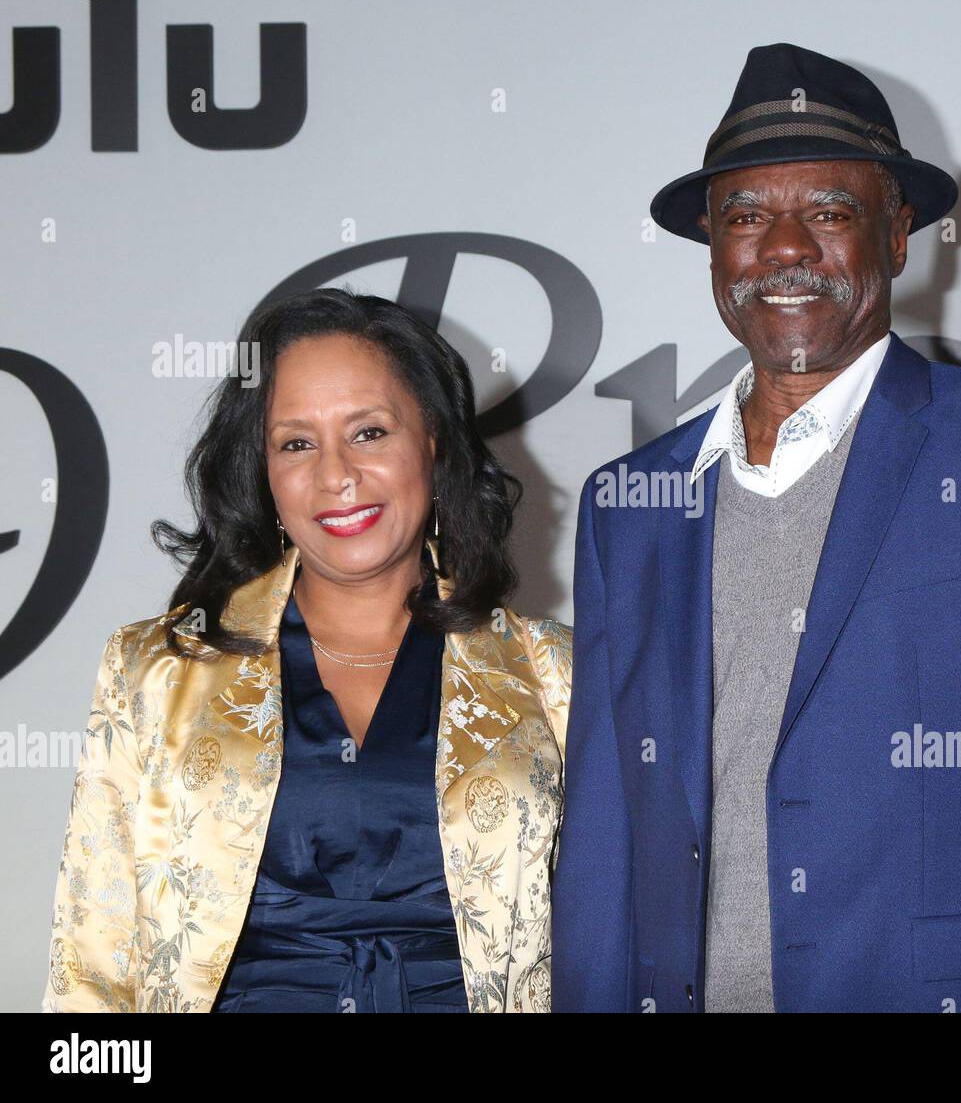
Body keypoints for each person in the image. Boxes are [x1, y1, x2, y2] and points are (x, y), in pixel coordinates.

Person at [553, 43, 961, 1012]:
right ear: (713, 243)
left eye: (827, 212)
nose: (784, 248)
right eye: (747, 216)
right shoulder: (629, 501)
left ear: (898, 233)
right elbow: (604, 843)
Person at [42, 288, 570, 1013]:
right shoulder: (154, 674)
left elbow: (610, 944)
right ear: (262, 470)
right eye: (296, 442)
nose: (336, 475)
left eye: (370, 432)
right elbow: (92, 973)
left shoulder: (556, 677)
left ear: (434, 442)